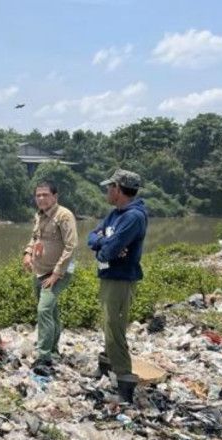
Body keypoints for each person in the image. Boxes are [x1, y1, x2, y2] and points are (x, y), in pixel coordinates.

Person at [87, 169, 148, 403]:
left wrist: (105, 248)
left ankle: (124, 380)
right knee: (108, 324)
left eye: (109, 188)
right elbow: (92, 237)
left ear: (118, 189)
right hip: (109, 276)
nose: (107, 192)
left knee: (116, 328)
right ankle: (106, 368)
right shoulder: (115, 214)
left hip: (121, 279)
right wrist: (104, 244)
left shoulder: (134, 217)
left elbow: (109, 252)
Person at [22, 181, 77, 368]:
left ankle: (44, 358)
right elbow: (35, 237)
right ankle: (53, 349)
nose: (41, 198)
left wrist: (57, 273)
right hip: (40, 270)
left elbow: (71, 246)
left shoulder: (64, 216)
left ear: (55, 196)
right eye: (38, 195)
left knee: (44, 309)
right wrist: (28, 253)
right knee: (50, 312)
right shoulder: (40, 215)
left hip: (57, 272)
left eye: (45, 195)